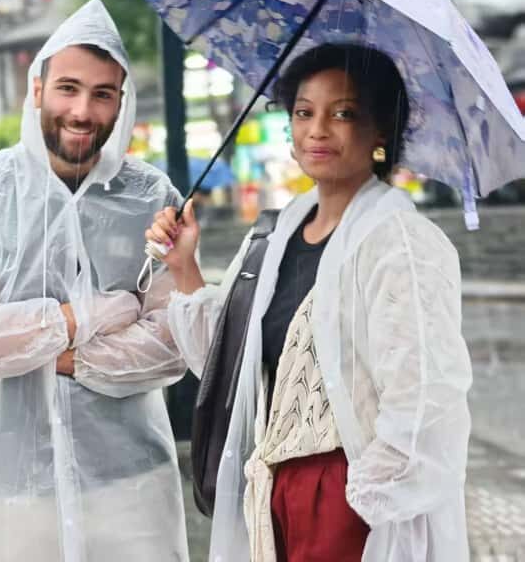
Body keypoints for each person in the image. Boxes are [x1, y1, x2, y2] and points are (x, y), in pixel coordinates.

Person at [146, 43, 472, 562]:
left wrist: (365, 501)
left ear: (381, 131)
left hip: (347, 501)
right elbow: (233, 359)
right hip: (275, 496)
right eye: (303, 111)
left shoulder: (401, 243)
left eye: (343, 113)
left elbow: (426, 395)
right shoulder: (277, 236)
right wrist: (184, 266)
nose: (317, 129)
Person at [0, 0, 190, 562]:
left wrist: (57, 356)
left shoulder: (154, 200)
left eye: (102, 94)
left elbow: (172, 344)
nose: (83, 111)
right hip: (4, 490)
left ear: (121, 103)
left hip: (128, 488)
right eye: (68, 88)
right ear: (37, 88)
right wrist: (92, 316)